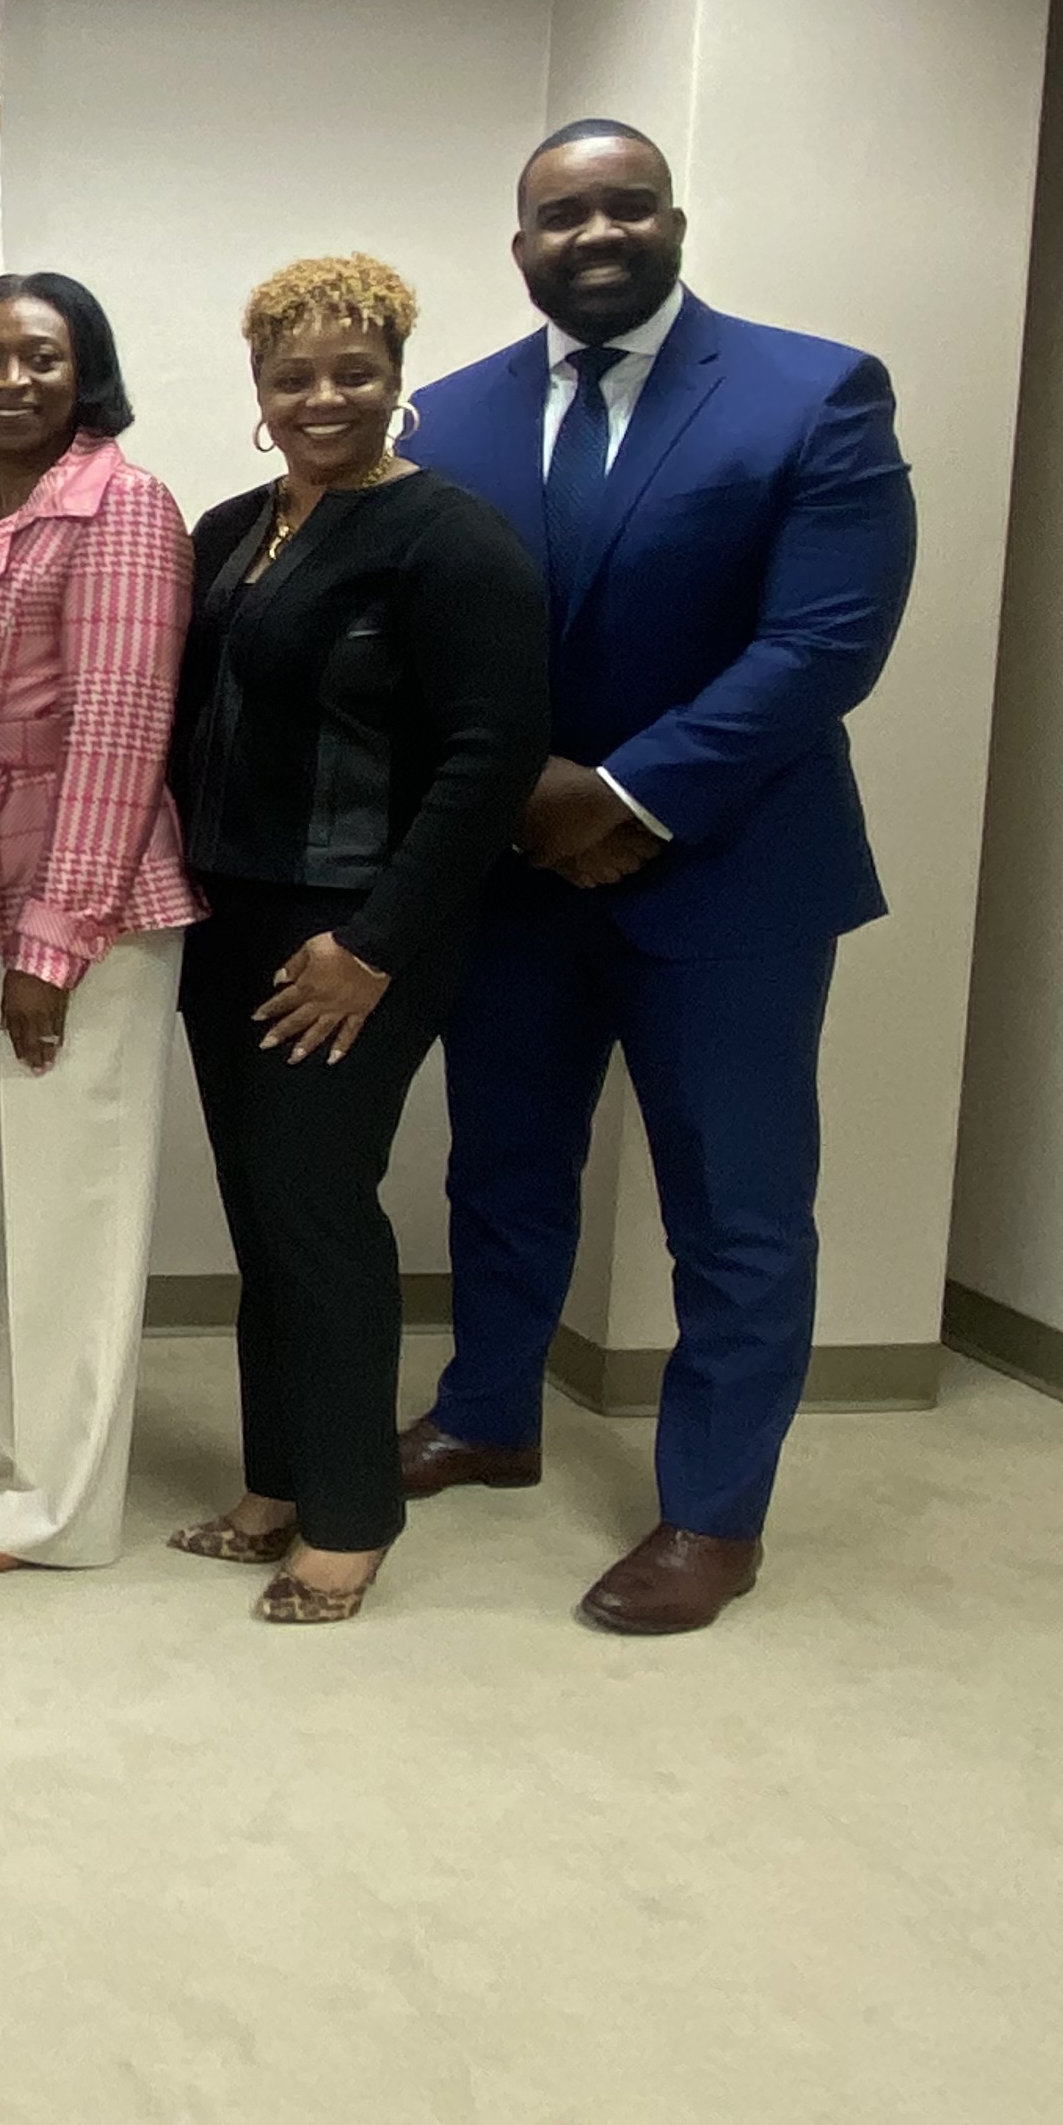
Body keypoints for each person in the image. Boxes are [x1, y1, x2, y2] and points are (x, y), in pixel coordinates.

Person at [401, 121, 917, 1634]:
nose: (598, 233)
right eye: (564, 215)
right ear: (522, 247)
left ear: (674, 221)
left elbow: (826, 642)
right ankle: (489, 1410)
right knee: (500, 1167)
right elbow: (427, 649)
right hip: (514, 880)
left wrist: (626, 792)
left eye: (628, 206)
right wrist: (522, 803)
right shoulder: (446, 416)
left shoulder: (813, 391)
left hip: (736, 881)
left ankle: (713, 1512)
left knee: (736, 1208)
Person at [166, 254, 544, 1624]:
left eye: (353, 371)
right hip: (228, 918)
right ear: (259, 391)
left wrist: (373, 943)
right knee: (262, 1210)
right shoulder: (225, 531)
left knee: (320, 1211)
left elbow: (489, 764)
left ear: (397, 378)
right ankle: (275, 1480)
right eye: (293, 376)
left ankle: (348, 1513)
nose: (323, 396)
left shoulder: (452, 541)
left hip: (357, 934)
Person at [0, 274, 199, 1576]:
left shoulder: (124, 510)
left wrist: (55, 946)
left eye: (41, 357)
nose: (12, 380)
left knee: (65, 1214)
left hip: (85, 927)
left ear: (88, 371)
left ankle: (56, 1505)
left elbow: (120, 737)